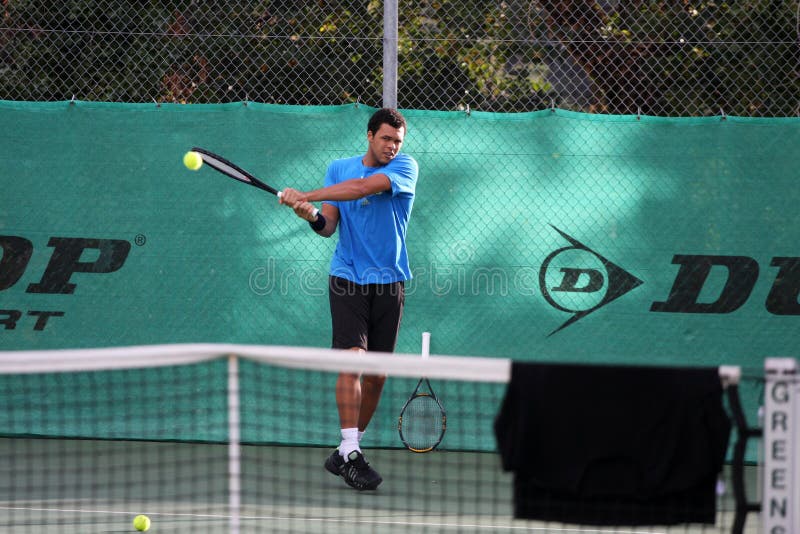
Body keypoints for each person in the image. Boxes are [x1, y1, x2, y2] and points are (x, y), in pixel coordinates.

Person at [279, 108, 418, 490]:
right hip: (347, 277)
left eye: (397, 141)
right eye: (386, 138)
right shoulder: (338, 168)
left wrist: (307, 193)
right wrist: (309, 214)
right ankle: (352, 451)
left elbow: (362, 188)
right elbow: (328, 226)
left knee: (377, 374)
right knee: (352, 360)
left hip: (390, 281)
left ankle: (344, 450)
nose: (392, 146)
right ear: (369, 135)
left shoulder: (405, 167)